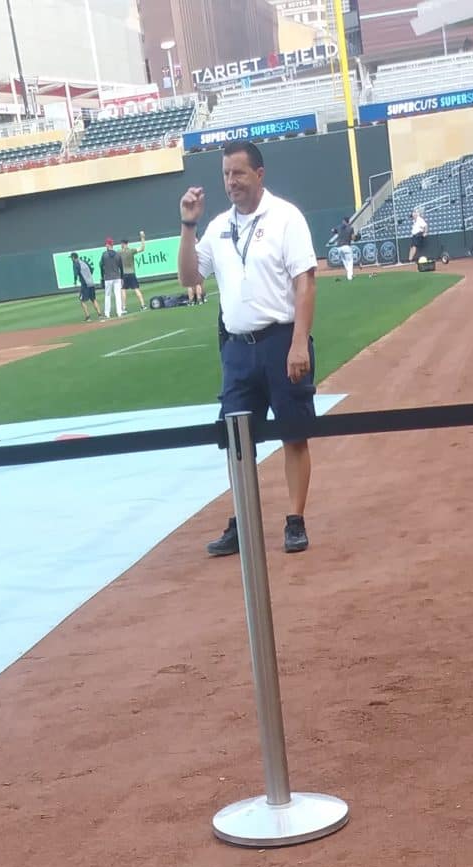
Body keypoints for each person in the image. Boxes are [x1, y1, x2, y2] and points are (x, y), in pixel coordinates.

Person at [179, 141, 319, 557]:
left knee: (294, 435)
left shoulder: (286, 217)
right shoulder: (218, 226)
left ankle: (295, 520)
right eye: (226, 174)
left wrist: (299, 343)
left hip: (281, 341)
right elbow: (189, 277)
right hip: (238, 349)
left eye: (238, 173)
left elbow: (305, 282)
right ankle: (244, 521)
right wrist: (188, 225)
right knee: (236, 441)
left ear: (259, 174)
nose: (231, 182)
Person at [119, 234, 148, 311]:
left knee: (123, 290)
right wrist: (142, 238)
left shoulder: (119, 252)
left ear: (123, 243)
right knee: (136, 289)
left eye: (121, 243)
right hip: (131, 273)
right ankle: (143, 305)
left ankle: (124, 308)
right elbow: (142, 248)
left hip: (124, 274)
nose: (121, 245)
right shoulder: (131, 251)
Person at [99, 238, 125, 319]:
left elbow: (101, 266)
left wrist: (102, 276)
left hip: (108, 278)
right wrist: (122, 277)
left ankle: (107, 313)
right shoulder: (117, 254)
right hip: (117, 277)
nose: (105, 245)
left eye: (106, 244)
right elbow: (121, 267)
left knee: (107, 295)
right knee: (118, 295)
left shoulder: (104, 254)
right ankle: (119, 312)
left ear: (108, 245)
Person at [72, 252, 101, 320]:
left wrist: (75, 281)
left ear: (73, 258)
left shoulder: (75, 264)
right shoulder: (84, 262)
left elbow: (75, 274)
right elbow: (91, 269)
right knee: (93, 299)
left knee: (82, 300)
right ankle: (100, 314)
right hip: (91, 283)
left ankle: (88, 317)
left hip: (85, 284)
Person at [333, 214, 359, 281]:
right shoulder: (350, 228)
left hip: (339, 247)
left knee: (345, 261)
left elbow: (333, 230)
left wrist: (337, 231)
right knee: (350, 261)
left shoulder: (339, 227)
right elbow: (353, 238)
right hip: (346, 246)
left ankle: (349, 273)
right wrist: (357, 237)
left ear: (343, 221)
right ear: (348, 221)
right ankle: (349, 276)